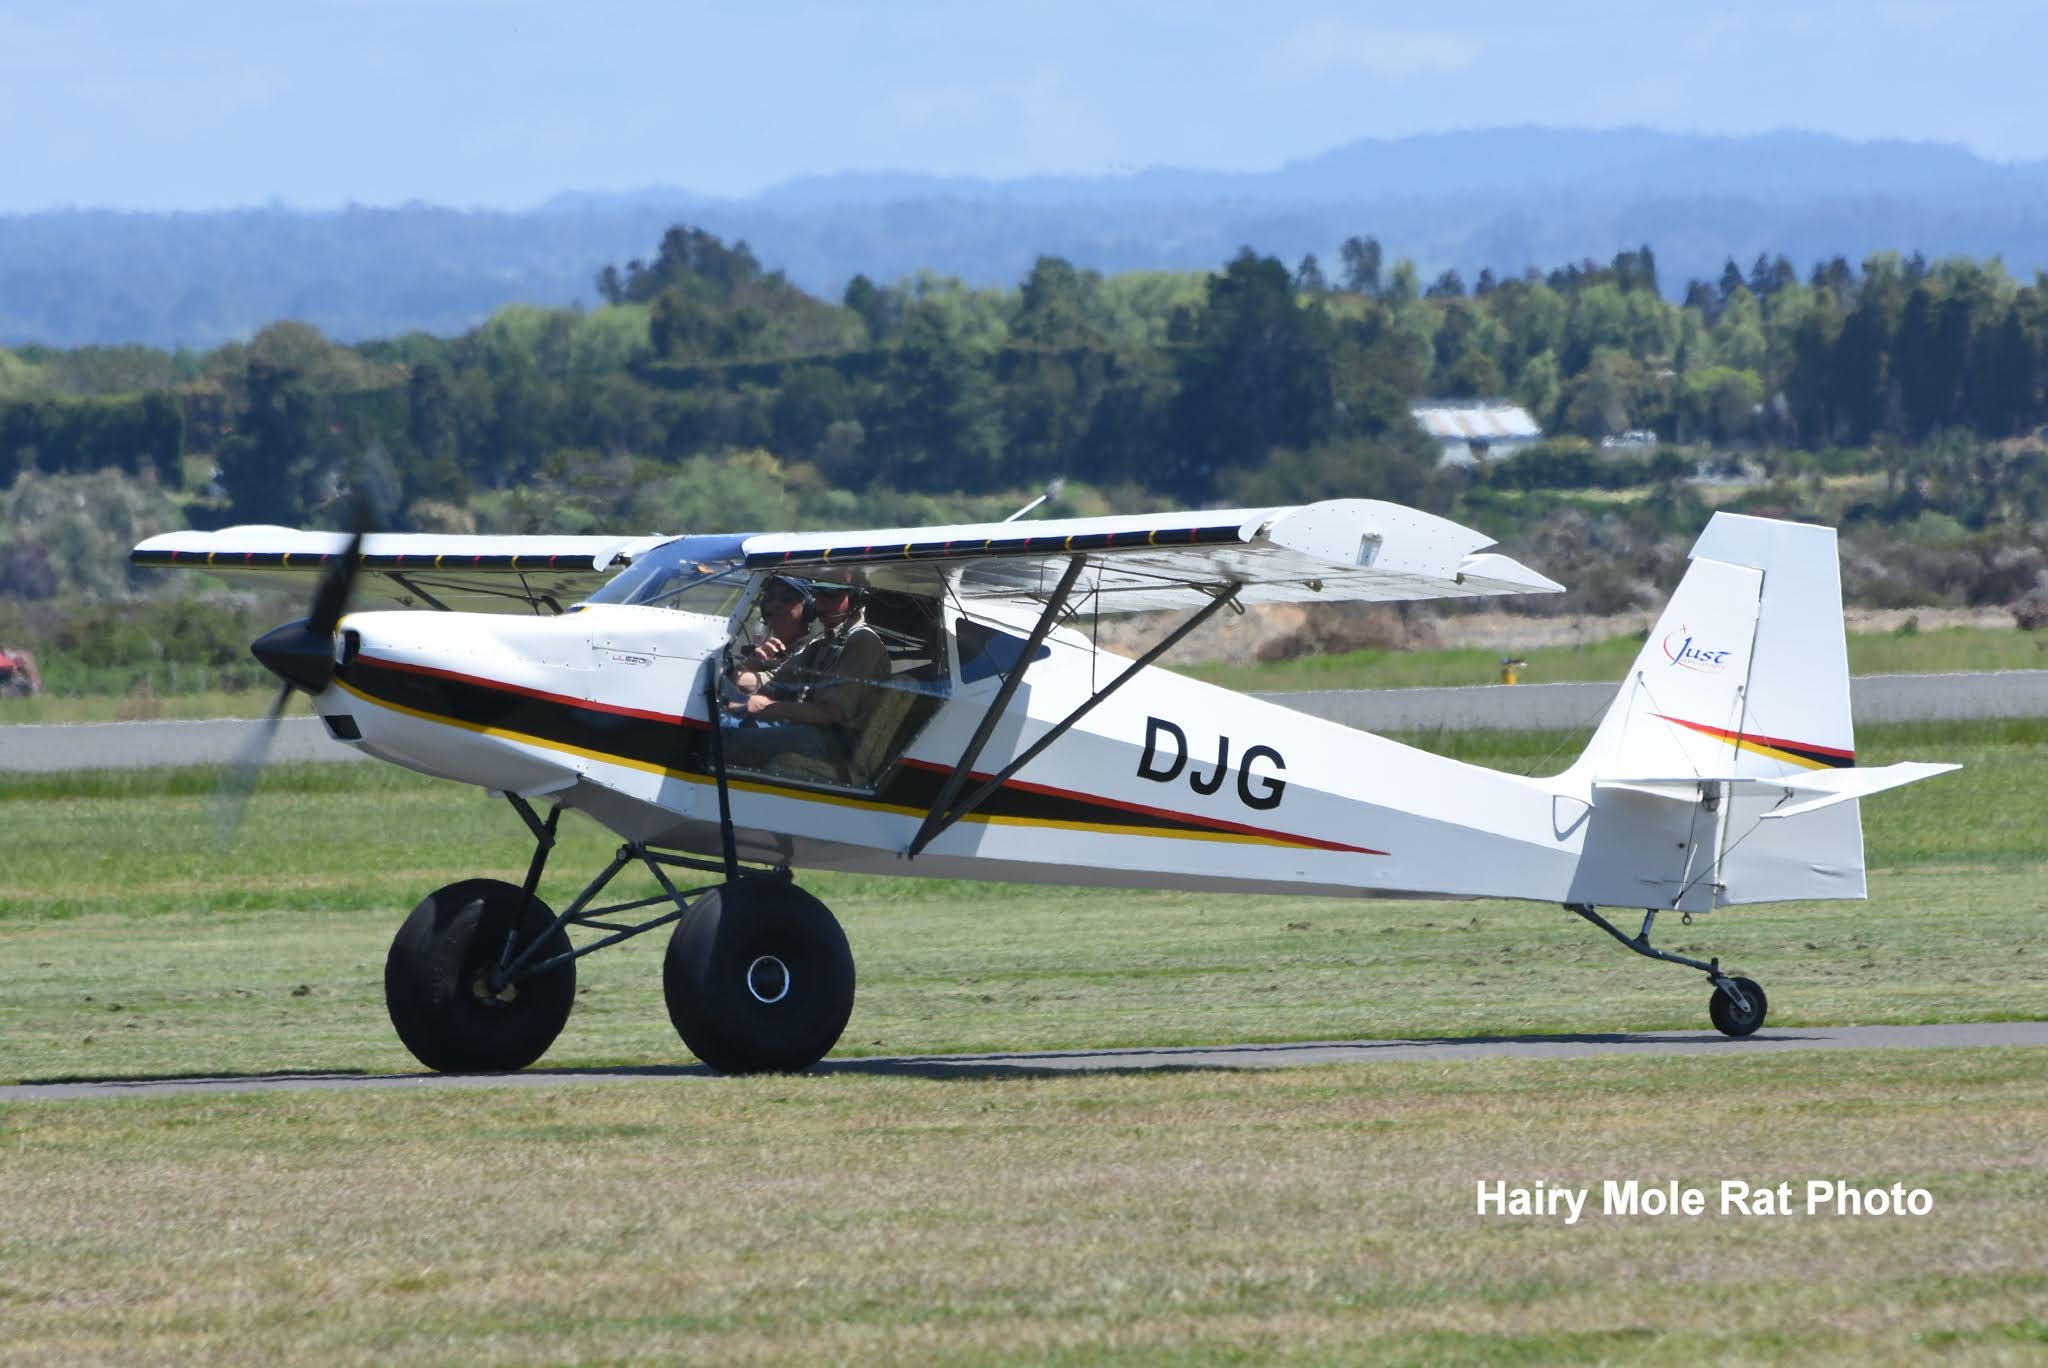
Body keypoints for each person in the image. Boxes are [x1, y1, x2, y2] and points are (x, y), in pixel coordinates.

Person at [722, 575, 890, 777]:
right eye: (818, 594)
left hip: (834, 743)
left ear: (857, 598)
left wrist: (765, 708)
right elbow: (774, 683)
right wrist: (735, 671)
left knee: (728, 741)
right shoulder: (822, 644)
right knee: (720, 723)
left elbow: (831, 713)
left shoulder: (862, 642)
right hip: (811, 732)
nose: (821, 603)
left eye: (831, 595)